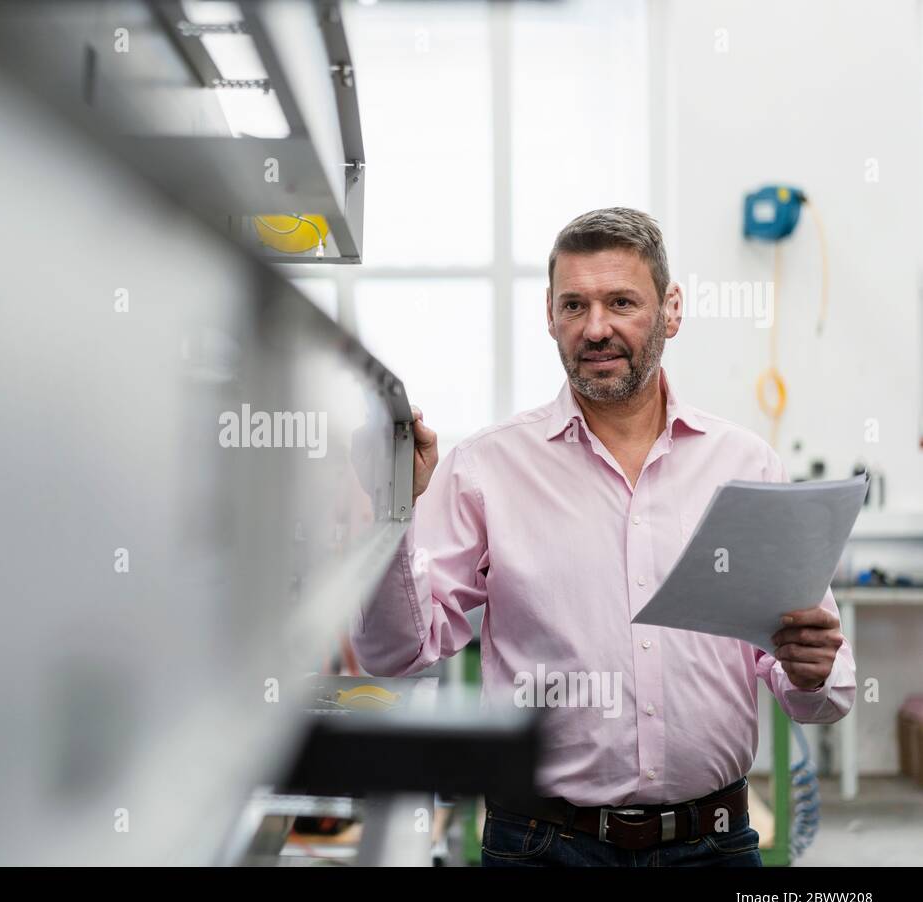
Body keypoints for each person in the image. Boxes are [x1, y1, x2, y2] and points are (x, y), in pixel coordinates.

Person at [351, 208, 855, 866]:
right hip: (540, 846)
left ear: (671, 310)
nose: (596, 328)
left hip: (711, 845)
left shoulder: (747, 465)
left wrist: (811, 673)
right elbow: (396, 653)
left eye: (621, 302)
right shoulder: (485, 469)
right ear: (549, 316)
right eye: (574, 305)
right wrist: (394, 509)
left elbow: (824, 696)